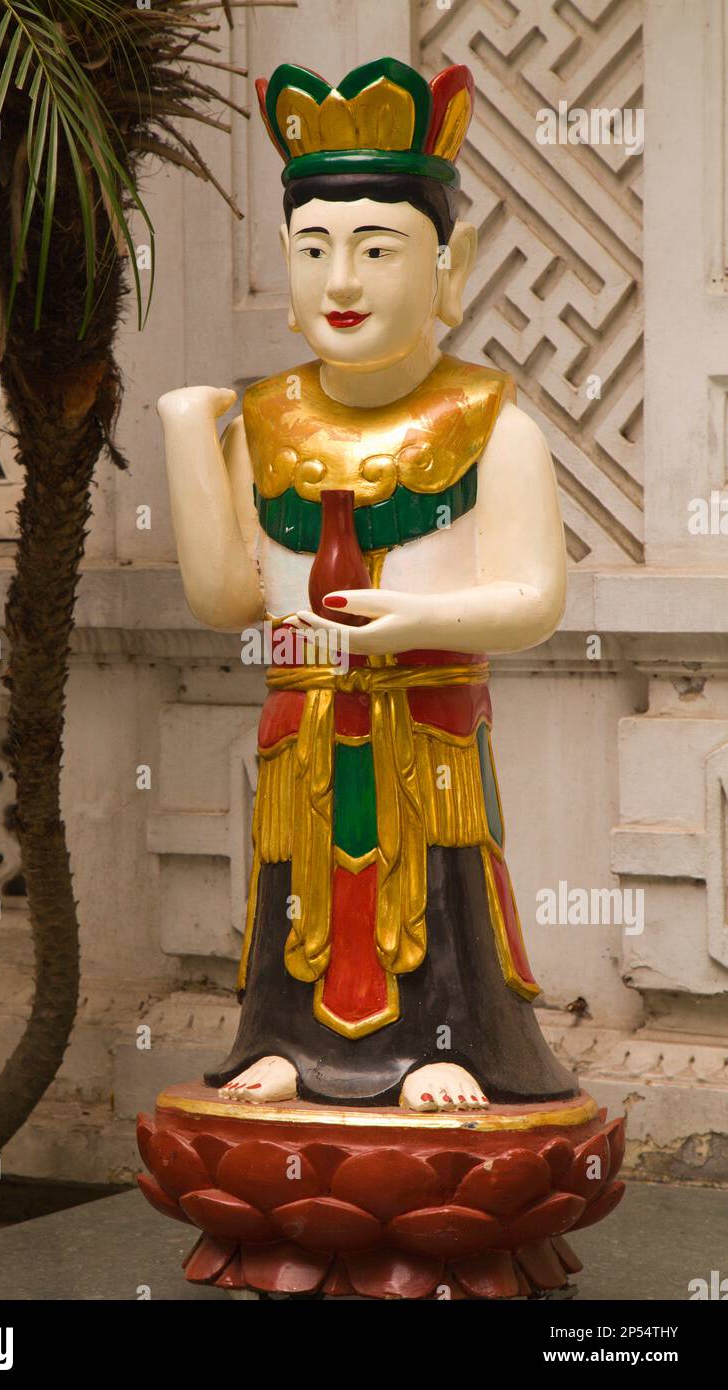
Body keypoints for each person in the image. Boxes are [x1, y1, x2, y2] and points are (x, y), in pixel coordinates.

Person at [157, 58, 577, 1111]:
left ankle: (454, 1045)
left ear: (450, 264)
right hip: (300, 717)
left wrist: (419, 618)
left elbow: (533, 598)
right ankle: (286, 1047)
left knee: (435, 884)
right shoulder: (264, 425)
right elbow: (224, 599)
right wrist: (182, 440)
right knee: (295, 886)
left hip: (425, 717)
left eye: (376, 248)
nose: (339, 283)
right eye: (313, 250)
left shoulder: (493, 426)